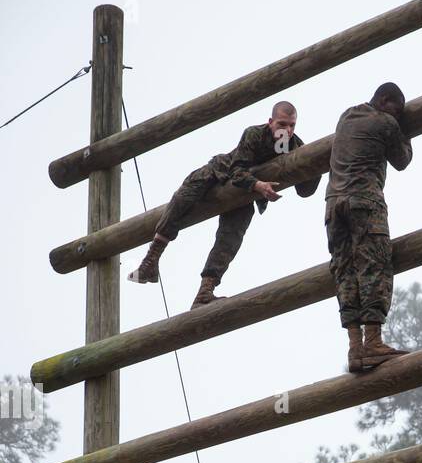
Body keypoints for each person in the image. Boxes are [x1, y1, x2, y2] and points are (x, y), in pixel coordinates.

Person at [128, 100, 320, 308]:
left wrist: (313, 161)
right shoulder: (254, 134)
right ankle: (150, 261)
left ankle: (204, 293)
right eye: (282, 124)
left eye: (292, 125)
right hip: (220, 173)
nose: (287, 130)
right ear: (270, 122)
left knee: (230, 238)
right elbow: (237, 172)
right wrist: (259, 185)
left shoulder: (295, 146)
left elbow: (305, 191)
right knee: (184, 197)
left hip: (244, 196)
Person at [324, 82, 413, 373]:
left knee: (345, 269)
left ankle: (355, 346)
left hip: (333, 206)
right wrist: (405, 130)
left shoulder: (347, 116)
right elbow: (402, 160)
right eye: (395, 109)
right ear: (385, 101)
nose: (396, 116)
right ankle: (373, 342)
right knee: (375, 265)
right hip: (364, 201)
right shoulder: (386, 122)